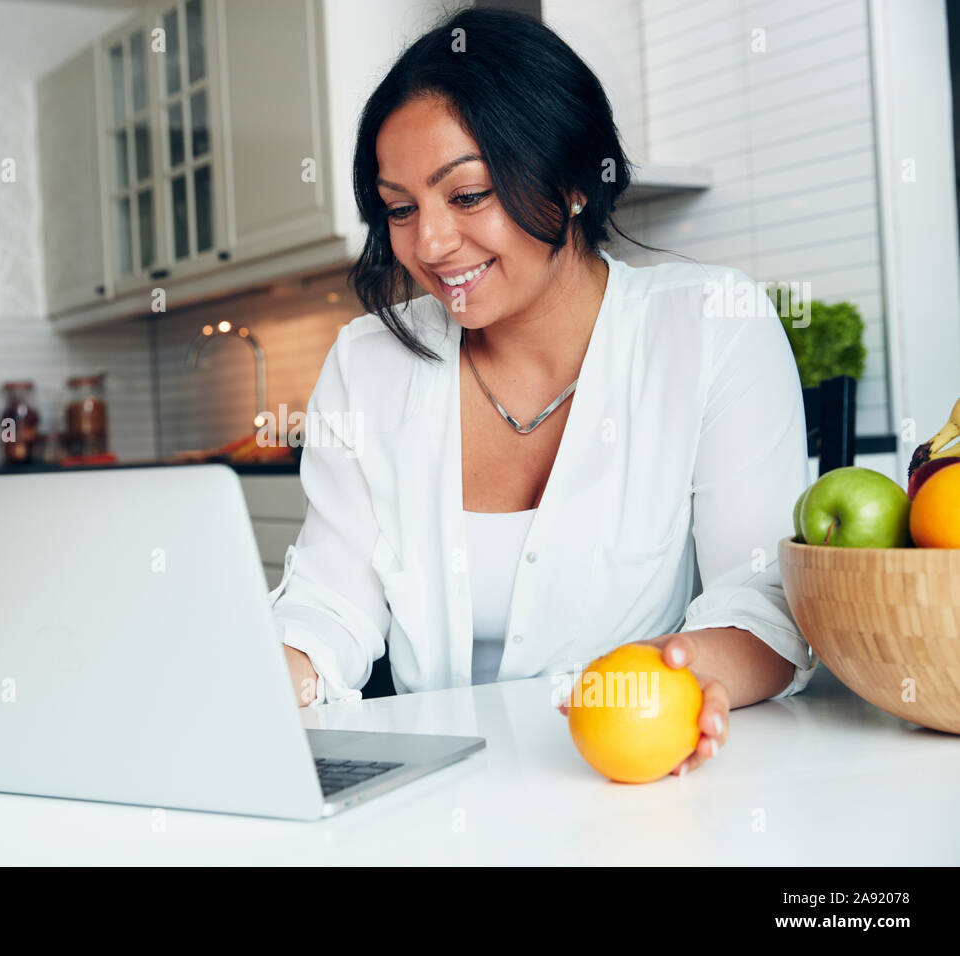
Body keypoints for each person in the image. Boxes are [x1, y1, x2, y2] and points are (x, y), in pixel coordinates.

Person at [271, 8, 814, 777]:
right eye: (400, 208)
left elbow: (762, 601)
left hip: (631, 794)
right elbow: (329, 604)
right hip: (434, 803)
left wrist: (678, 676)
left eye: (466, 196)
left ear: (571, 181)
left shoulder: (710, 328)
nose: (428, 243)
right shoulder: (370, 363)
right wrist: (260, 683)